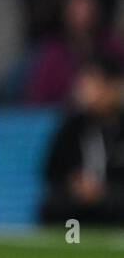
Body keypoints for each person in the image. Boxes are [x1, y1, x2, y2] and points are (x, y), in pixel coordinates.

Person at [40, 58, 124, 226]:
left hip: (114, 200)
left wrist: (104, 191)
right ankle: (69, 243)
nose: (85, 91)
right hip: (77, 203)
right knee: (53, 204)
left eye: (94, 84)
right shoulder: (72, 127)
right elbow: (51, 171)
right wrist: (75, 183)